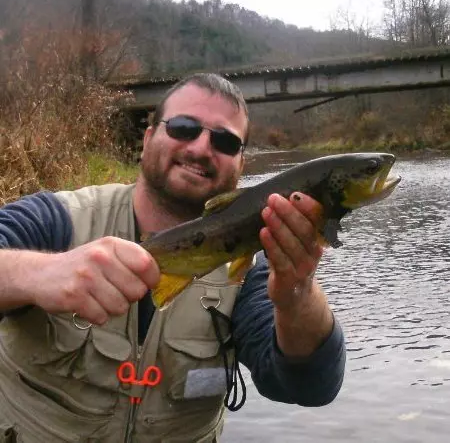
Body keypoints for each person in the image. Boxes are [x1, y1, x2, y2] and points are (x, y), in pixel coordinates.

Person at [0, 73, 345, 442]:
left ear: (241, 164)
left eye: (226, 141)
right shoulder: (59, 219)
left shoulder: (249, 267)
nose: (200, 147)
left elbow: (311, 387)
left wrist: (298, 293)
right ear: (148, 139)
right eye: (183, 127)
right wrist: (39, 274)